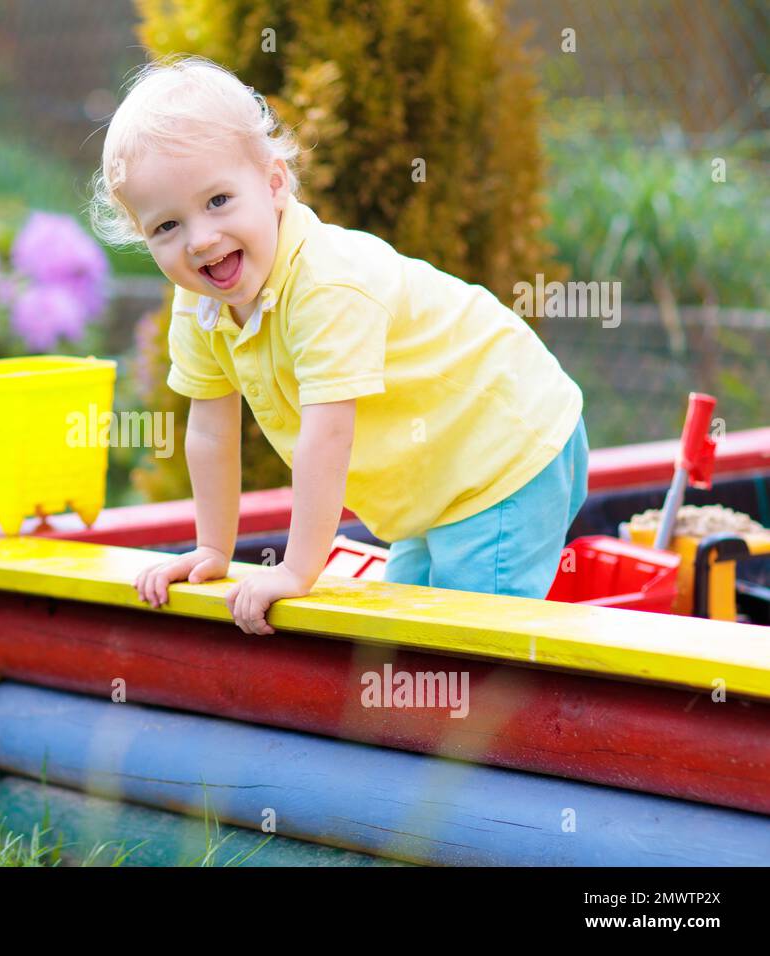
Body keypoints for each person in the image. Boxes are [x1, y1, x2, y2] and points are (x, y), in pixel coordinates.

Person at [88, 55, 588, 635]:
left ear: (274, 183)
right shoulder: (200, 305)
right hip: (435, 481)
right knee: (399, 636)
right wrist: (211, 549)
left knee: (470, 648)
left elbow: (327, 437)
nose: (200, 239)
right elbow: (209, 430)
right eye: (166, 227)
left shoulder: (326, 286)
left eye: (218, 201)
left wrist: (298, 571)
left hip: (505, 450)